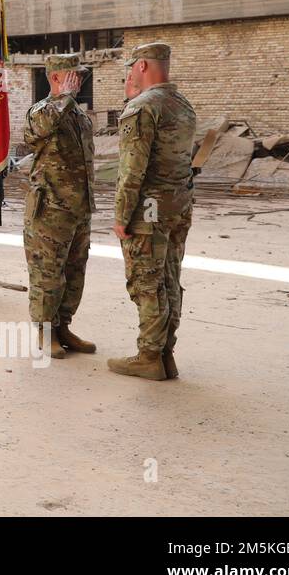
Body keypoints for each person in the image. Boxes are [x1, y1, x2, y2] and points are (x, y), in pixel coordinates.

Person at [109, 42, 196, 382]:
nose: (130, 73)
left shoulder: (143, 107)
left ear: (142, 66)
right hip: (179, 205)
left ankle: (148, 356)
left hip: (148, 209)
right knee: (170, 278)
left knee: (146, 281)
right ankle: (165, 354)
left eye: (132, 67)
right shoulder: (182, 104)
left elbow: (132, 170)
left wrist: (121, 215)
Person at [22, 55, 96, 359]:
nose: (78, 79)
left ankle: (63, 326)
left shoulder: (78, 115)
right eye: (71, 75)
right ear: (55, 78)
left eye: (79, 74)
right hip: (50, 209)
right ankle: (45, 331)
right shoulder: (41, 111)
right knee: (47, 272)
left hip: (78, 208)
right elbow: (38, 132)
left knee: (75, 271)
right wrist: (64, 97)